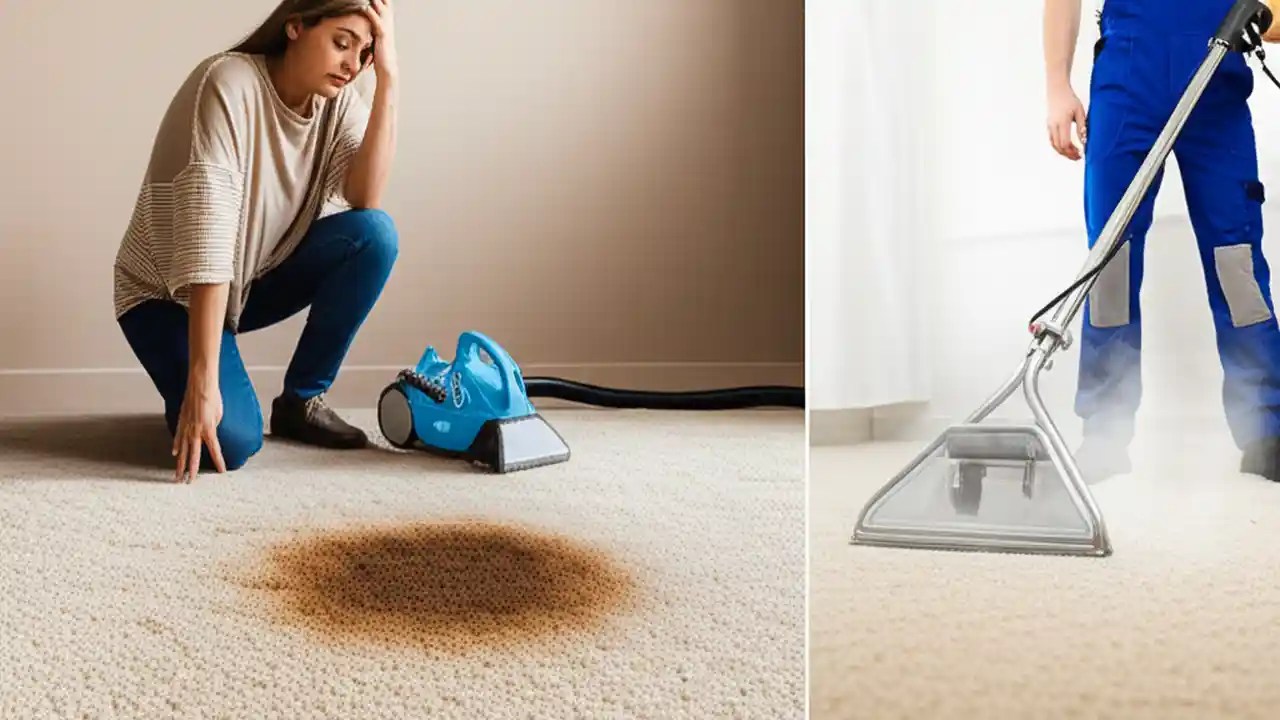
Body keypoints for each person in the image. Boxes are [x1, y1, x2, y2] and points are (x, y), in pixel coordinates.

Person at [112, 0, 400, 483]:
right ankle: (193, 389)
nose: (352, 65)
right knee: (233, 442)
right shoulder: (228, 84)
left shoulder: (337, 101)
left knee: (374, 236)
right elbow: (210, 238)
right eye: (341, 43)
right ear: (294, 26)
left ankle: (301, 401)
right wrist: (201, 384)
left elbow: (364, 196)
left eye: (365, 52)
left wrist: (389, 78)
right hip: (164, 295)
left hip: (244, 283)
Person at [1044, 0, 1280, 482]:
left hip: (1217, 77)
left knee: (1234, 258)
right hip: (1129, 77)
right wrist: (1057, 86)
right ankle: (1104, 431)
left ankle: (1266, 427)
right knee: (1111, 261)